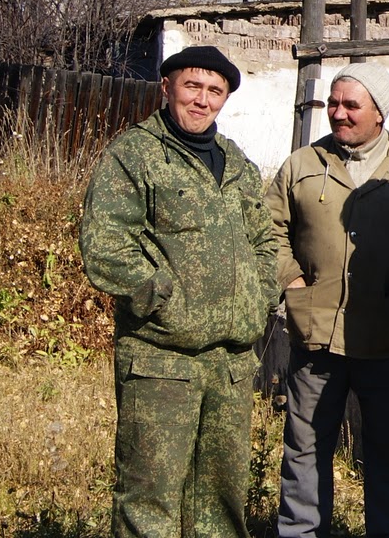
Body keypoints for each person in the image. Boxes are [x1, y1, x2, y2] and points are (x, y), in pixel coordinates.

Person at [79, 45, 280, 538]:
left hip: (230, 364)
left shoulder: (237, 164)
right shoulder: (134, 155)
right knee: (150, 501)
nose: (202, 100)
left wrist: (257, 294)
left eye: (215, 91)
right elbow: (105, 248)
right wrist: (170, 306)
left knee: (221, 503)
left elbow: (266, 240)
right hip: (160, 362)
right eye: (192, 86)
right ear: (167, 88)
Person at [265, 63, 389, 538]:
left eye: (350, 105)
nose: (337, 113)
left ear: (380, 113)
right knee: (303, 450)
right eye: (333, 103)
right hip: (315, 338)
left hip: (387, 336)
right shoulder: (301, 165)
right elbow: (268, 228)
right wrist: (292, 281)